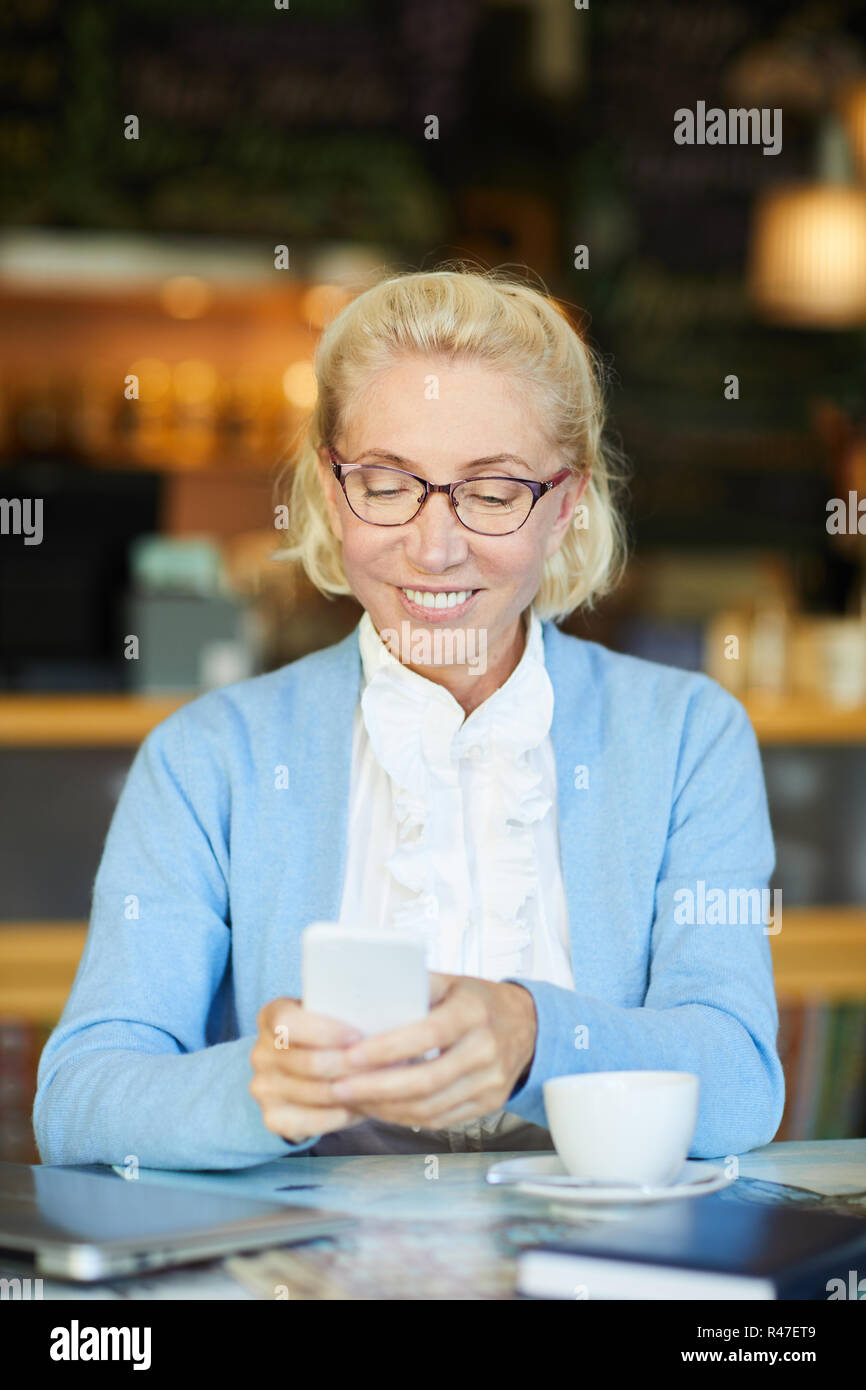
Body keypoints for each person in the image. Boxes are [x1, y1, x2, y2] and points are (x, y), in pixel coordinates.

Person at [35, 267, 784, 1169]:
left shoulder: (686, 736)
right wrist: (260, 1084)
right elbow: (78, 1102)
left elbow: (741, 1083)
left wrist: (532, 1035)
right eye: (388, 484)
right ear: (328, 486)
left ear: (567, 505)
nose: (434, 548)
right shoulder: (210, 756)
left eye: (494, 490)